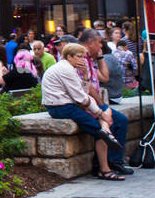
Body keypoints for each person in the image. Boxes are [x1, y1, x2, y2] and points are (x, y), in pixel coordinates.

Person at [42, 43, 126, 181]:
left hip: (66, 105)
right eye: (79, 56)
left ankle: (107, 138)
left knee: (103, 123)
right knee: (100, 131)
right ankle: (104, 169)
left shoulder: (68, 68)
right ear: (69, 56)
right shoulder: (66, 70)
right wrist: (100, 112)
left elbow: (82, 92)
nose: (82, 60)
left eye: (83, 56)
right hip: (61, 107)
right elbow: (81, 97)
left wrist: (86, 75)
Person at [78, 28, 130, 173]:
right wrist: (102, 105)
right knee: (112, 121)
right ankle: (105, 164)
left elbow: (105, 78)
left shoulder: (90, 59)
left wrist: (100, 58)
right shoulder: (79, 58)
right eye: (99, 43)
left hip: (94, 103)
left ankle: (114, 161)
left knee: (120, 120)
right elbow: (86, 86)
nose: (101, 46)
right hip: (86, 103)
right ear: (91, 43)